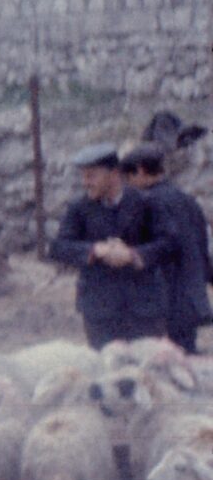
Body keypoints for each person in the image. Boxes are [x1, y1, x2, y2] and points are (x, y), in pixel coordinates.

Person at [47, 142, 164, 348]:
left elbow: (168, 243)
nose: (85, 182)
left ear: (114, 173)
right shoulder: (79, 208)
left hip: (142, 309)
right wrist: (94, 250)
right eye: (83, 176)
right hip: (100, 310)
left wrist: (133, 254)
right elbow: (58, 247)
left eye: (91, 175)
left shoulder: (146, 203)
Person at [125, 142, 210, 355]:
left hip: (160, 301)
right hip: (189, 299)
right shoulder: (187, 199)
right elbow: (201, 246)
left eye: (129, 176)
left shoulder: (146, 203)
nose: (128, 183)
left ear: (141, 171)